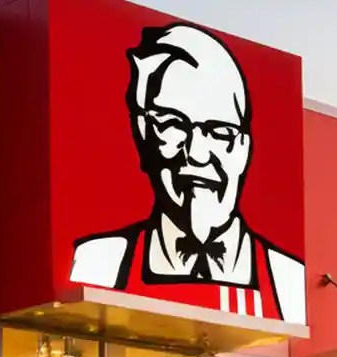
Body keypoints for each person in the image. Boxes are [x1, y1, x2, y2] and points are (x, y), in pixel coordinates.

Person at [68, 24, 306, 324]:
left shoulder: (289, 282)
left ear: (244, 149)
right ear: (143, 136)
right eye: (173, 125)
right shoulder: (99, 263)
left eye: (219, 132)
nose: (197, 152)